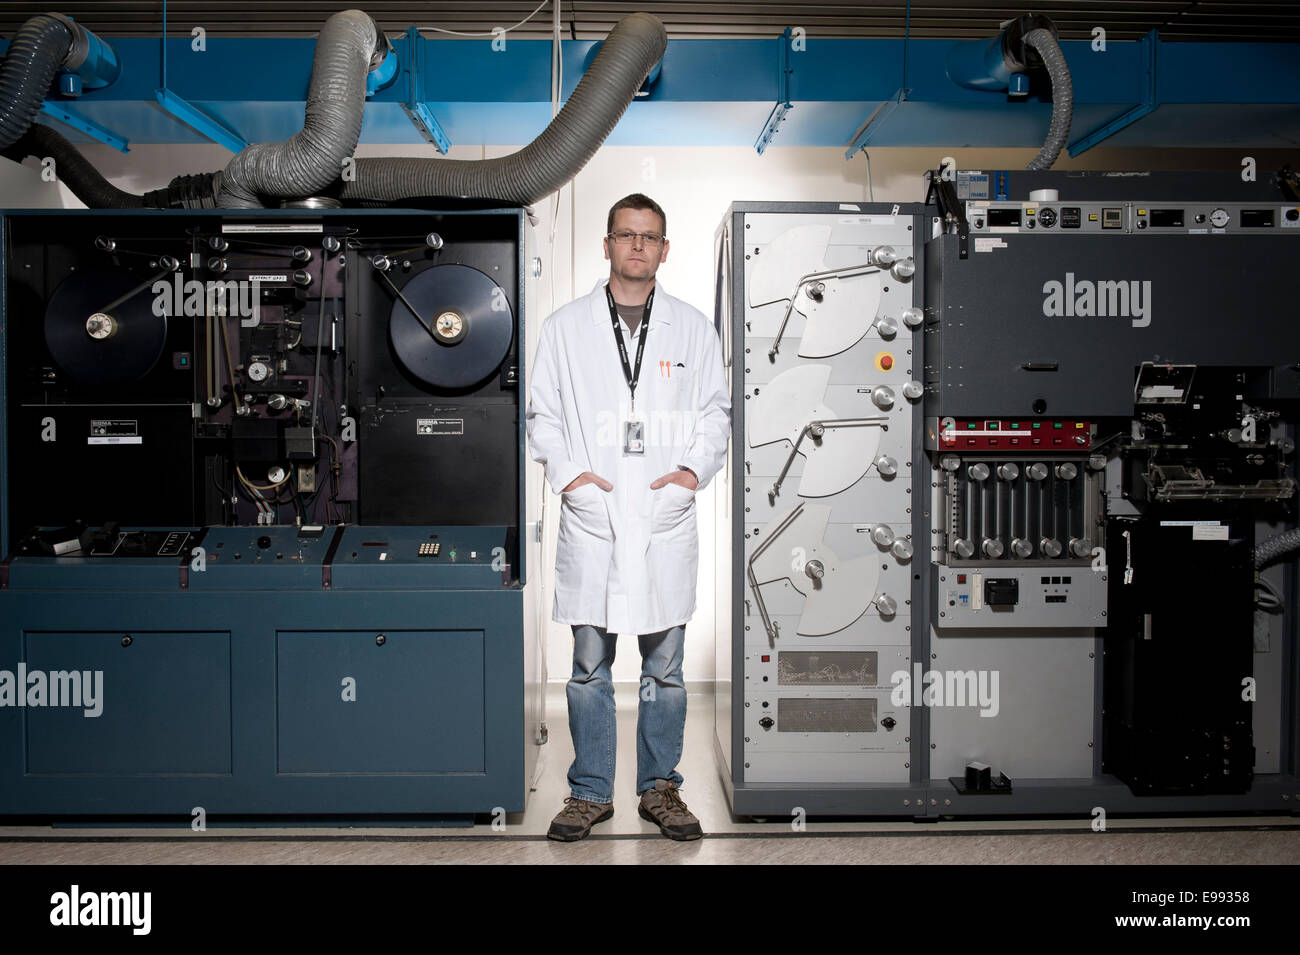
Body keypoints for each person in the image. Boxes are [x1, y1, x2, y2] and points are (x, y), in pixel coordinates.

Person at [525, 193, 731, 842]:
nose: (637, 246)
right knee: (588, 668)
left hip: (665, 523)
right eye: (626, 235)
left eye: (649, 237)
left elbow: (716, 417)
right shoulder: (564, 329)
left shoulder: (694, 329)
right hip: (594, 522)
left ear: (665, 250)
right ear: (607, 245)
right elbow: (542, 417)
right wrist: (574, 482)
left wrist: (689, 477)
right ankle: (589, 791)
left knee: (664, 671)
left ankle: (659, 789)